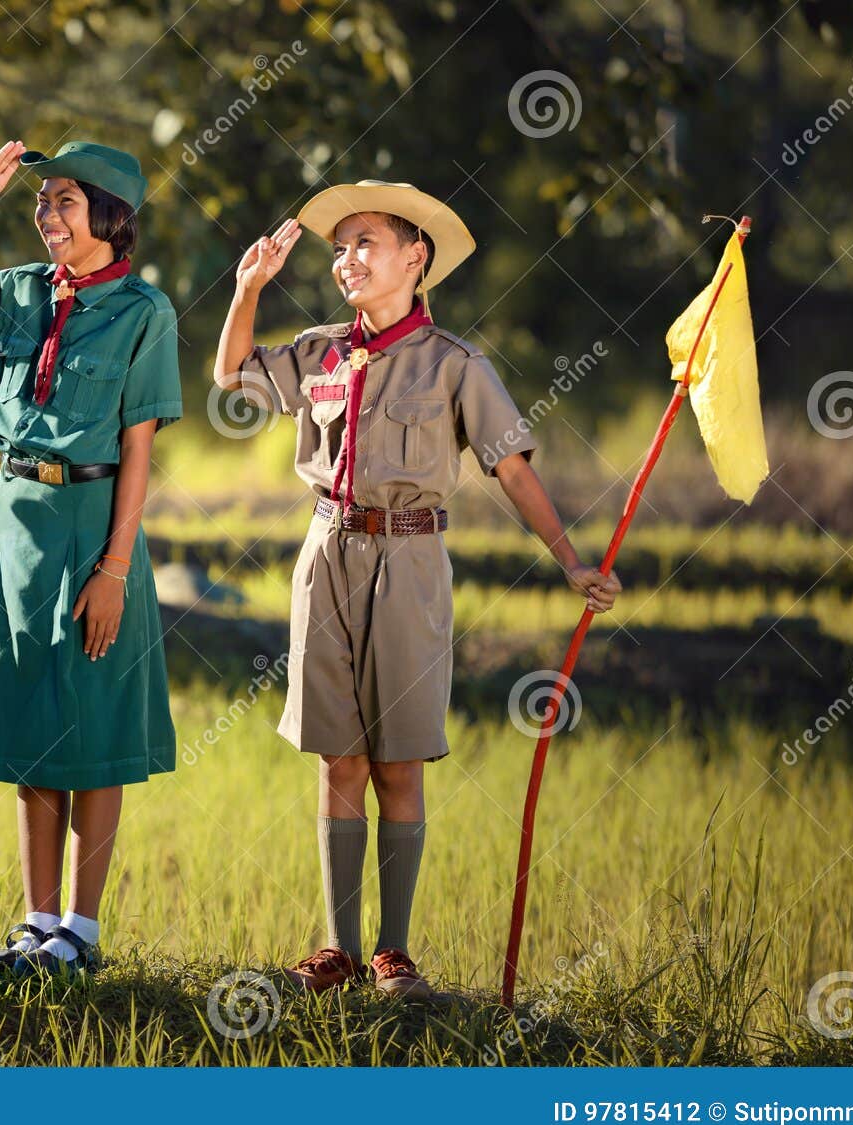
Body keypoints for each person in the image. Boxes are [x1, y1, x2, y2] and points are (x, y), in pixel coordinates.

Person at [212, 181, 622, 999]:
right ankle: (337, 949)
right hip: (326, 551)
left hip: (410, 562)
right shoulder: (320, 349)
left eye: (366, 242)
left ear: (414, 256)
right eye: (339, 246)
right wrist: (247, 289)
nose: (347, 259)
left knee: (399, 758)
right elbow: (232, 376)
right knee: (339, 756)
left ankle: (392, 951)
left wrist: (571, 560)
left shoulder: (455, 364)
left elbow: (511, 466)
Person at [0, 141, 181, 978]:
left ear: (110, 217)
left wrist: (115, 570)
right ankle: (36, 924)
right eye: (40, 202)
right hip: (16, 519)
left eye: (63, 202)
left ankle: (80, 932)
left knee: (94, 718)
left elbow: (138, 445)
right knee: (30, 722)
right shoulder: (14, 291)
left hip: (94, 522)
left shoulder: (144, 312)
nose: (46, 215)